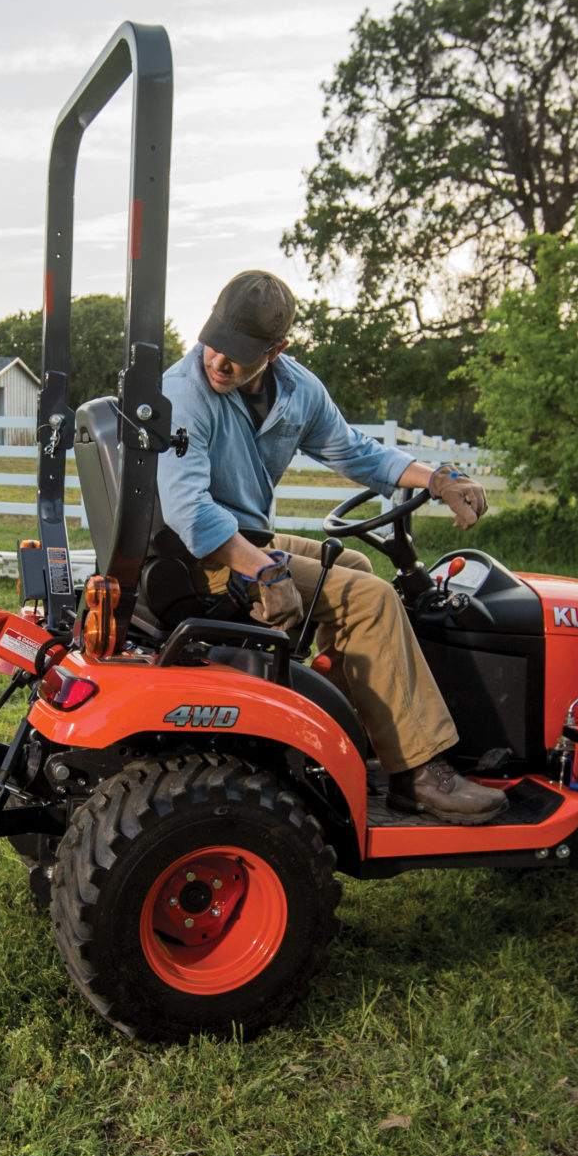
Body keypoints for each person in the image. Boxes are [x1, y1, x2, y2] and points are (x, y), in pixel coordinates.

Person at [157, 269, 506, 825]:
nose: (219, 361)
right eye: (215, 342)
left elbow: (356, 452)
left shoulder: (297, 391)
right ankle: (421, 775)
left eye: (240, 353)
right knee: (372, 600)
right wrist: (262, 572)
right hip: (200, 556)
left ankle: (340, 732)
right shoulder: (183, 391)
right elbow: (188, 510)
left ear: (277, 350)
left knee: (355, 566)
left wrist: (437, 479)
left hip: (248, 538)